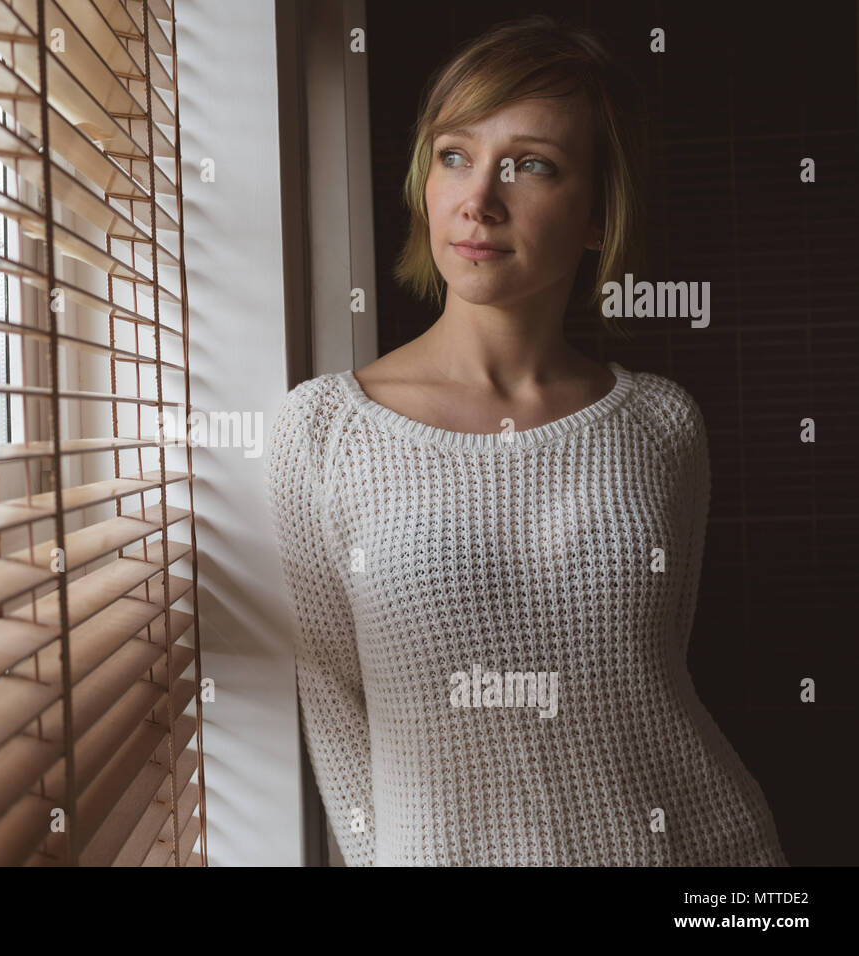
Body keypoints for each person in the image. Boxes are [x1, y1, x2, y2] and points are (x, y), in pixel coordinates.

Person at [267, 14, 788, 866]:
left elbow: (652, 675)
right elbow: (329, 691)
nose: (479, 199)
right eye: (454, 155)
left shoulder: (661, 423)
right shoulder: (322, 430)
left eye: (532, 165)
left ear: (596, 213)